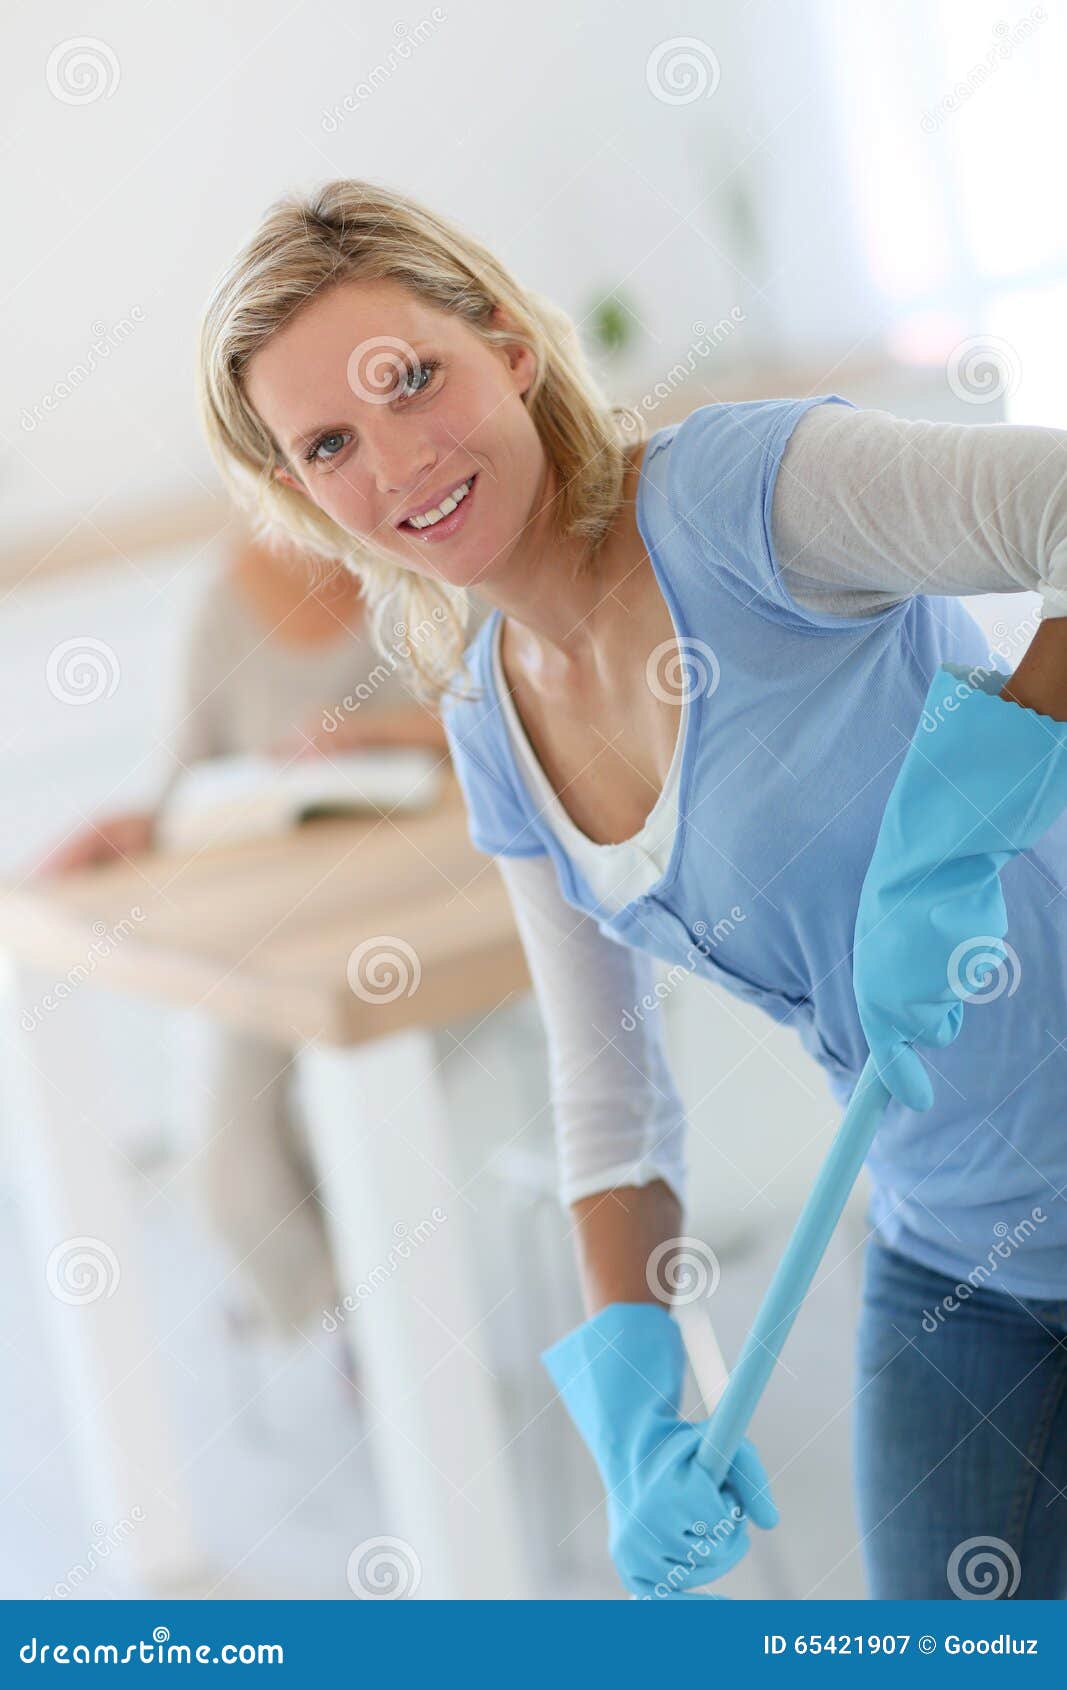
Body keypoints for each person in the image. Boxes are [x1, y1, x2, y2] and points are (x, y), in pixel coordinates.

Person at [195, 177, 1067, 1600]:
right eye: (330, 443)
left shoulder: (742, 498)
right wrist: (630, 1386)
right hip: (957, 1247)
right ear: (303, 495)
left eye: (412, 378)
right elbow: (608, 1091)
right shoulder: (486, 720)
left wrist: (969, 816)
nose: (398, 459)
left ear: (508, 347)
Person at [34, 530, 455, 1340]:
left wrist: (373, 734)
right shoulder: (223, 604)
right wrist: (127, 830)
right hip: (283, 936)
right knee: (234, 1154)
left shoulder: (417, 555)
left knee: (336, 1117)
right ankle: (354, 1329)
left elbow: (504, 712)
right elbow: (185, 786)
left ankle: (393, 1338)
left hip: (419, 925)